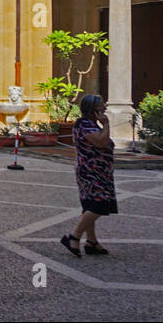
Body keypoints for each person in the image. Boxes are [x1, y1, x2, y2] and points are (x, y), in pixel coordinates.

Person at [62, 93, 117, 257]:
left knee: (90, 205)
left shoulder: (91, 124)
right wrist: (106, 125)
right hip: (90, 173)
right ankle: (74, 236)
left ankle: (92, 242)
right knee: (99, 204)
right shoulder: (84, 125)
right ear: (93, 109)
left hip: (99, 173)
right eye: (101, 105)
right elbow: (101, 142)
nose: (105, 107)